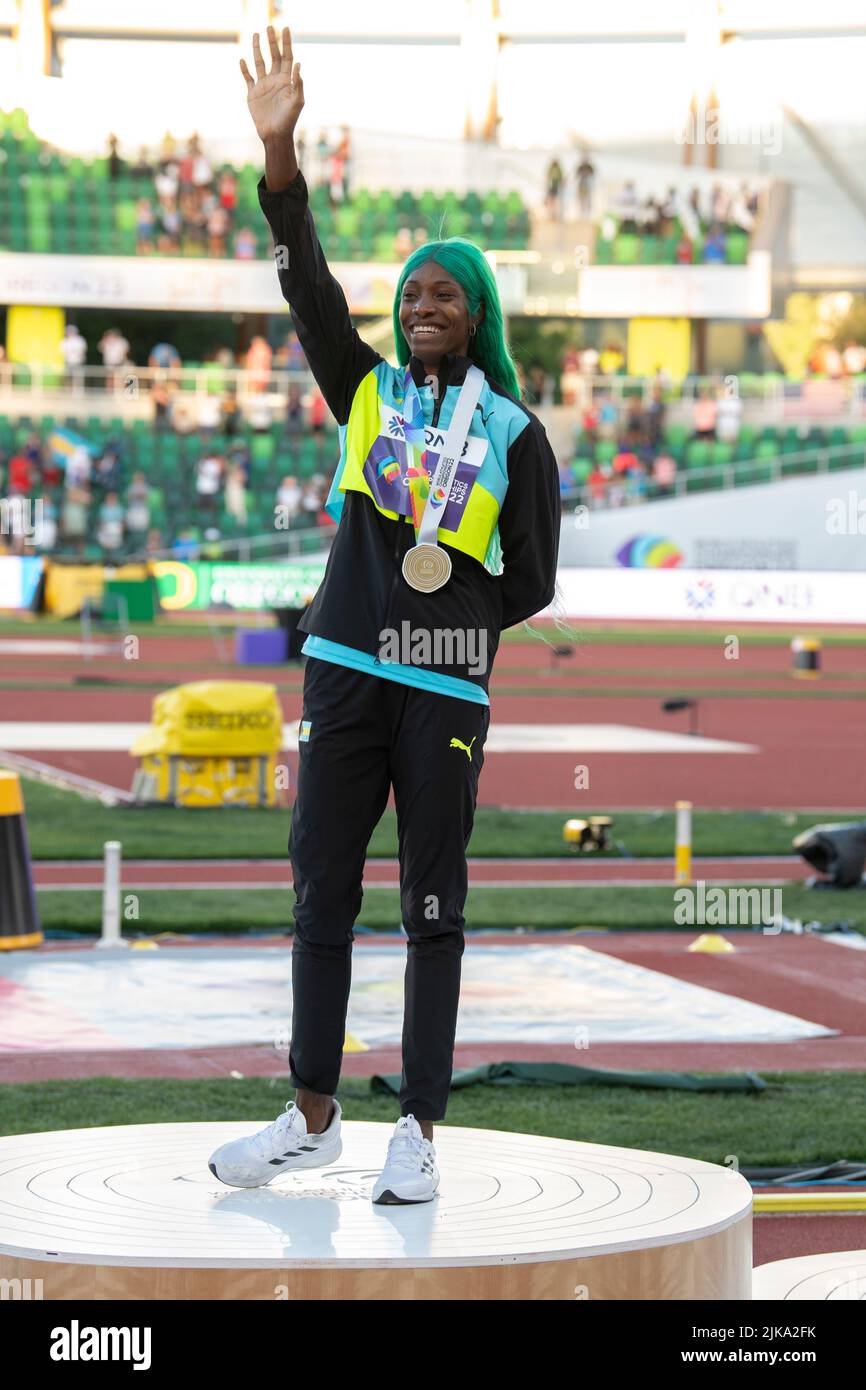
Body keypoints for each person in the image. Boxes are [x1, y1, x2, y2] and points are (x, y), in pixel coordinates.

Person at [209, 25, 560, 1206]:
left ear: (476, 313)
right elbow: (307, 287)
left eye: (443, 293)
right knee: (320, 888)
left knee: (430, 909)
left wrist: (449, 619)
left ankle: (416, 1127)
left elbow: (532, 580)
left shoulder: (512, 433)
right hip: (344, 668)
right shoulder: (362, 391)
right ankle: (311, 1113)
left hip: (443, 684)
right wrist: (279, 154)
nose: (420, 305)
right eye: (410, 291)